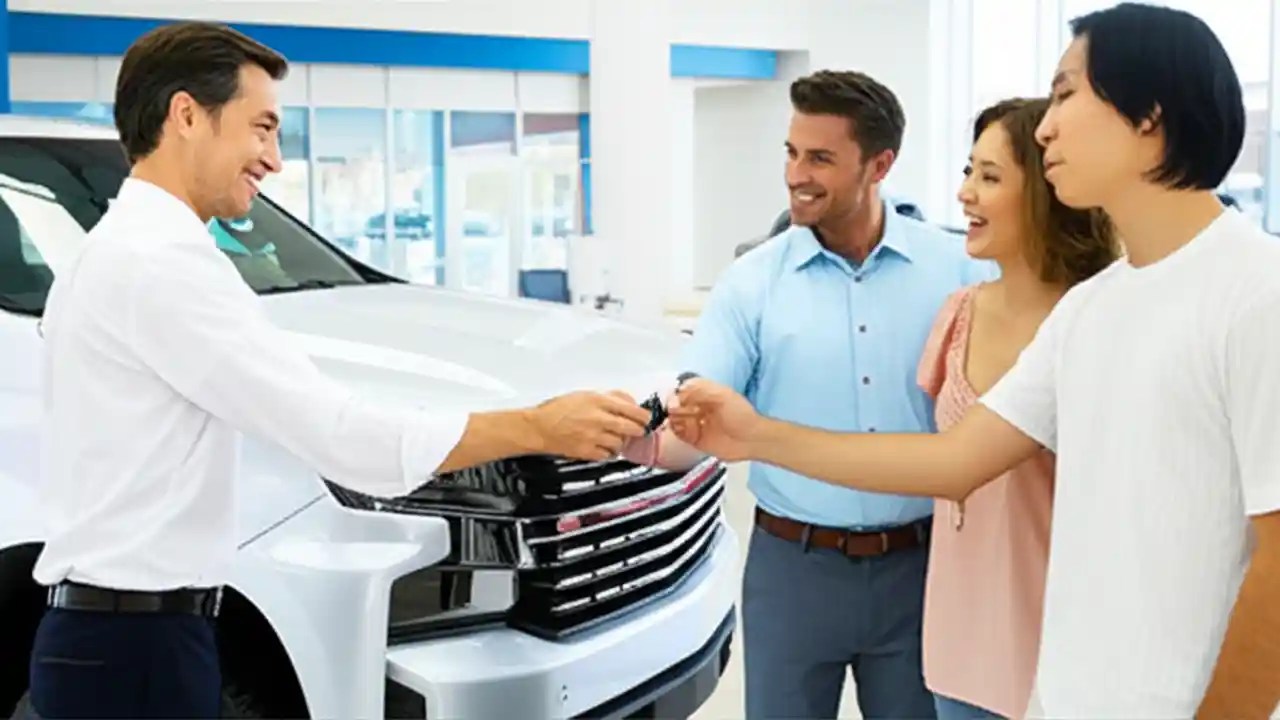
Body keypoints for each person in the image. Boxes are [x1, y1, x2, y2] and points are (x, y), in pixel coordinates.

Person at [27, 21, 654, 719]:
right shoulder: (160, 265)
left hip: (119, 639)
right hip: (140, 653)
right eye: (260, 128)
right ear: (185, 116)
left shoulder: (111, 250)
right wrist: (538, 425)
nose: (272, 159)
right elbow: (348, 441)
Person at [669, 4, 1280, 718]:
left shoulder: (1255, 292)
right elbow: (955, 461)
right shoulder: (1092, 309)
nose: (1046, 126)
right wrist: (756, 436)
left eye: (1065, 93)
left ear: (1147, 114)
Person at [649, 69, 992, 719]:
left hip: (922, 569)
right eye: (792, 152)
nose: (796, 173)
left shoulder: (958, 272)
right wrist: (643, 441)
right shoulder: (750, 283)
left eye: (821, 158)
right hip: (792, 571)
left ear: (880, 163)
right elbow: (698, 410)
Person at [920, 97, 1116, 720]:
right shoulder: (957, 315)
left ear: (1048, 190)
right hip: (957, 651)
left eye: (990, 177)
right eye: (967, 172)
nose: (965, 194)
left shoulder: (1102, 322)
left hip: (1069, 663)